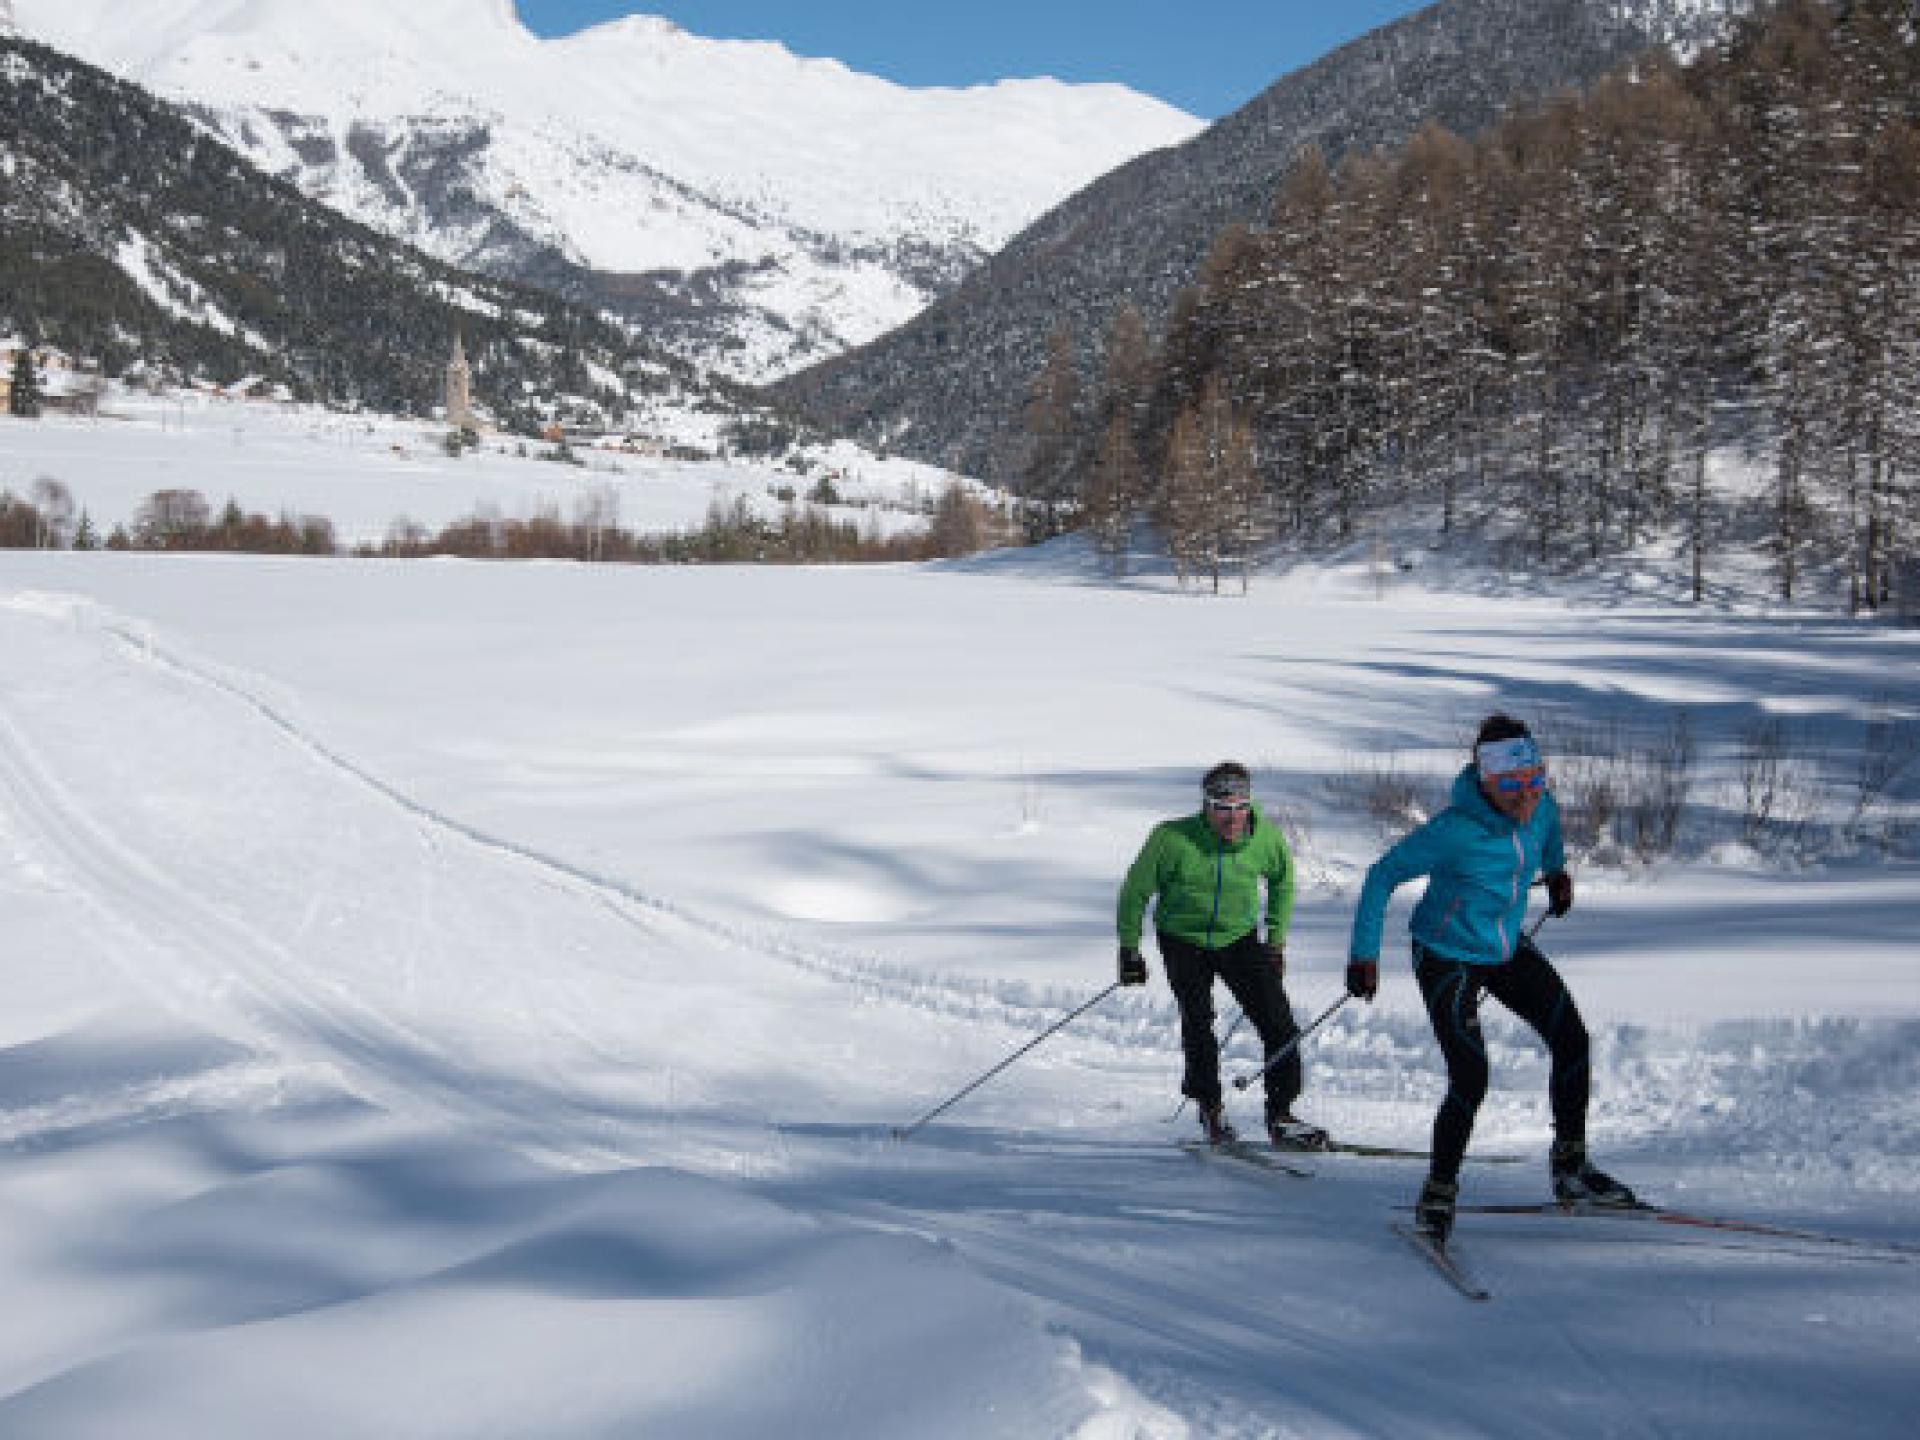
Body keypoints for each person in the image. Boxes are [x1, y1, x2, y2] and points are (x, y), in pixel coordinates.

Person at [1345, 714, 1637, 1242]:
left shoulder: (1541, 809)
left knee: (1572, 1039)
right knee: (1471, 1076)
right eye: (1511, 785)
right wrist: (1364, 955)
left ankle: (1570, 1167)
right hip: (1445, 953)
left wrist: (1558, 874)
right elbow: (1381, 874)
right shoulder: (1456, 829)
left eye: (1534, 781)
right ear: (1486, 780)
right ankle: (1438, 1189)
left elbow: (1547, 841)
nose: (1526, 796)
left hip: (1502, 947)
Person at [1117, 761, 1328, 1150]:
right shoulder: (1171, 838)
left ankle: (1281, 1114)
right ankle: (1210, 1107)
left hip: (1238, 937)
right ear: (1206, 805)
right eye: (1222, 807)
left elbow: (1283, 881)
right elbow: (1135, 891)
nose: (1232, 817)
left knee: (1278, 1021)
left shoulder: (1264, 838)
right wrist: (1129, 949)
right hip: (1183, 937)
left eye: (1240, 806)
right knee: (1198, 1021)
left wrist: (1276, 941)